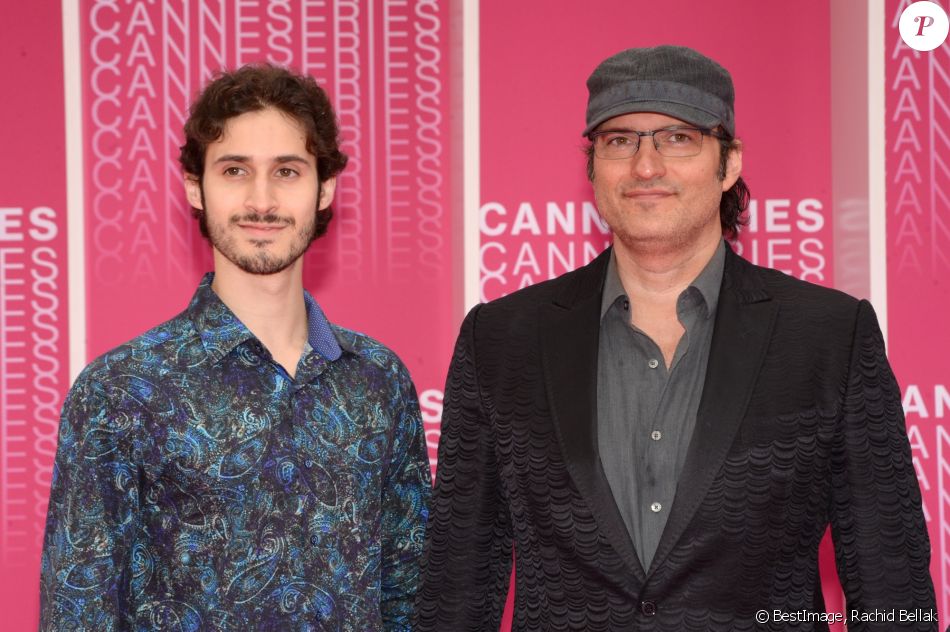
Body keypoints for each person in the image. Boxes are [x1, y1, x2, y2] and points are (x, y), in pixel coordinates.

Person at [416, 46, 936, 630]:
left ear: (729, 162)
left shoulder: (830, 335)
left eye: (677, 138)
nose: (645, 166)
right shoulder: (501, 338)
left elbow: (892, 580)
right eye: (620, 140)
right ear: (592, 167)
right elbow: (457, 583)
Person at [40, 64, 430, 631]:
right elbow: (78, 613)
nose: (262, 200)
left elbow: (410, 595)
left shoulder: (378, 380)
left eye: (288, 172)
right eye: (235, 170)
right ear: (195, 187)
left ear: (326, 188)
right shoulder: (121, 391)